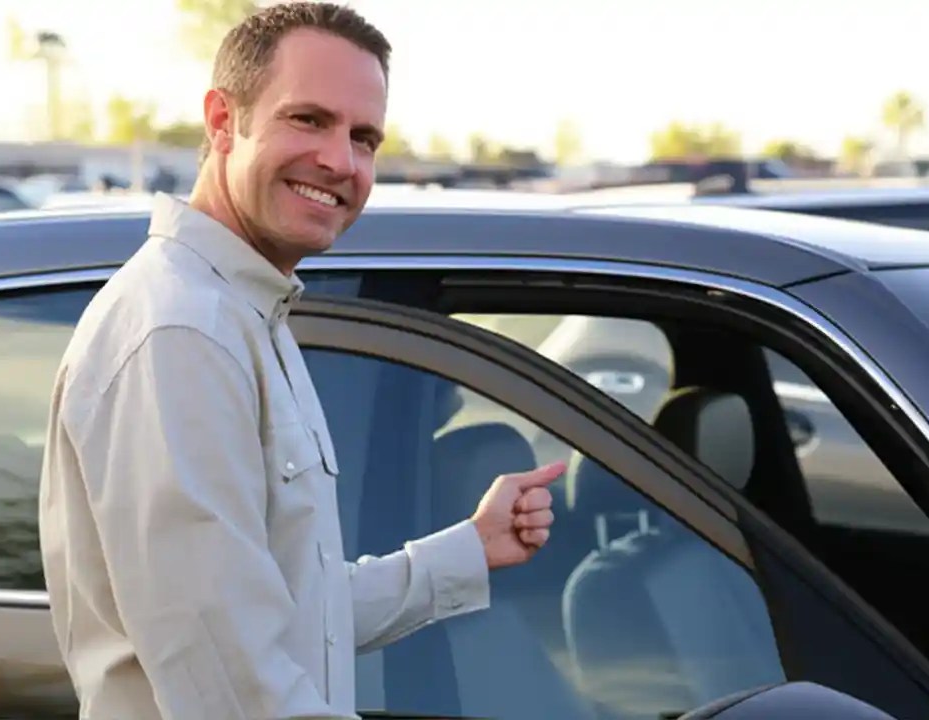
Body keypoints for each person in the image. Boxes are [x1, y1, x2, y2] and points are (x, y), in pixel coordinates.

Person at [36, 3, 564, 719]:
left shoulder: (241, 312)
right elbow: (234, 687)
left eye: (364, 136)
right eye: (309, 120)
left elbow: (290, 616)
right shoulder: (182, 331)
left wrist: (470, 548)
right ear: (223, 121)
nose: (341, 162)